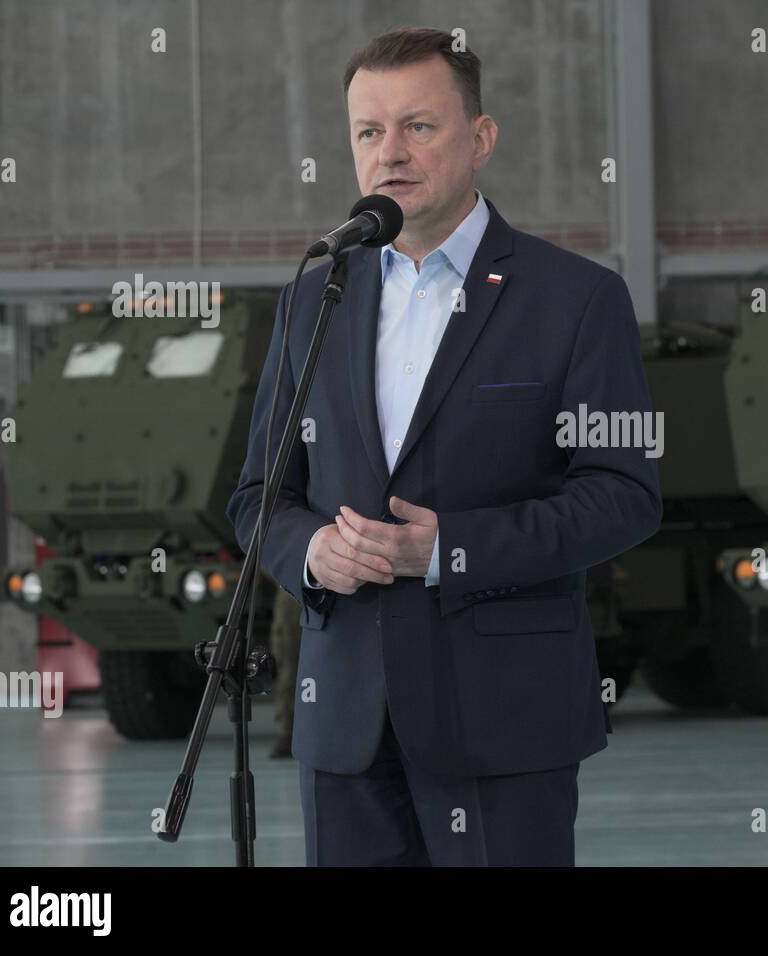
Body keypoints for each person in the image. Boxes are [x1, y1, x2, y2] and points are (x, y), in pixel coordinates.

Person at [227, 27, 661, 865]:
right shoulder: (314, 298)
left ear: (481, 138)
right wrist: (313, 549)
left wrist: (447, 550)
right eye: (368, 131)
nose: (390, 152)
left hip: (502, 723)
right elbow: (258, 497)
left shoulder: (577, 299)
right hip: (345, 725)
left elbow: (625, 493)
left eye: (418, 126)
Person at [268, 587, 302, 759]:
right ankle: (288, 729)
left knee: (289, 664)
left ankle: (288, 730)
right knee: (289, 663)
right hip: (293, 589)